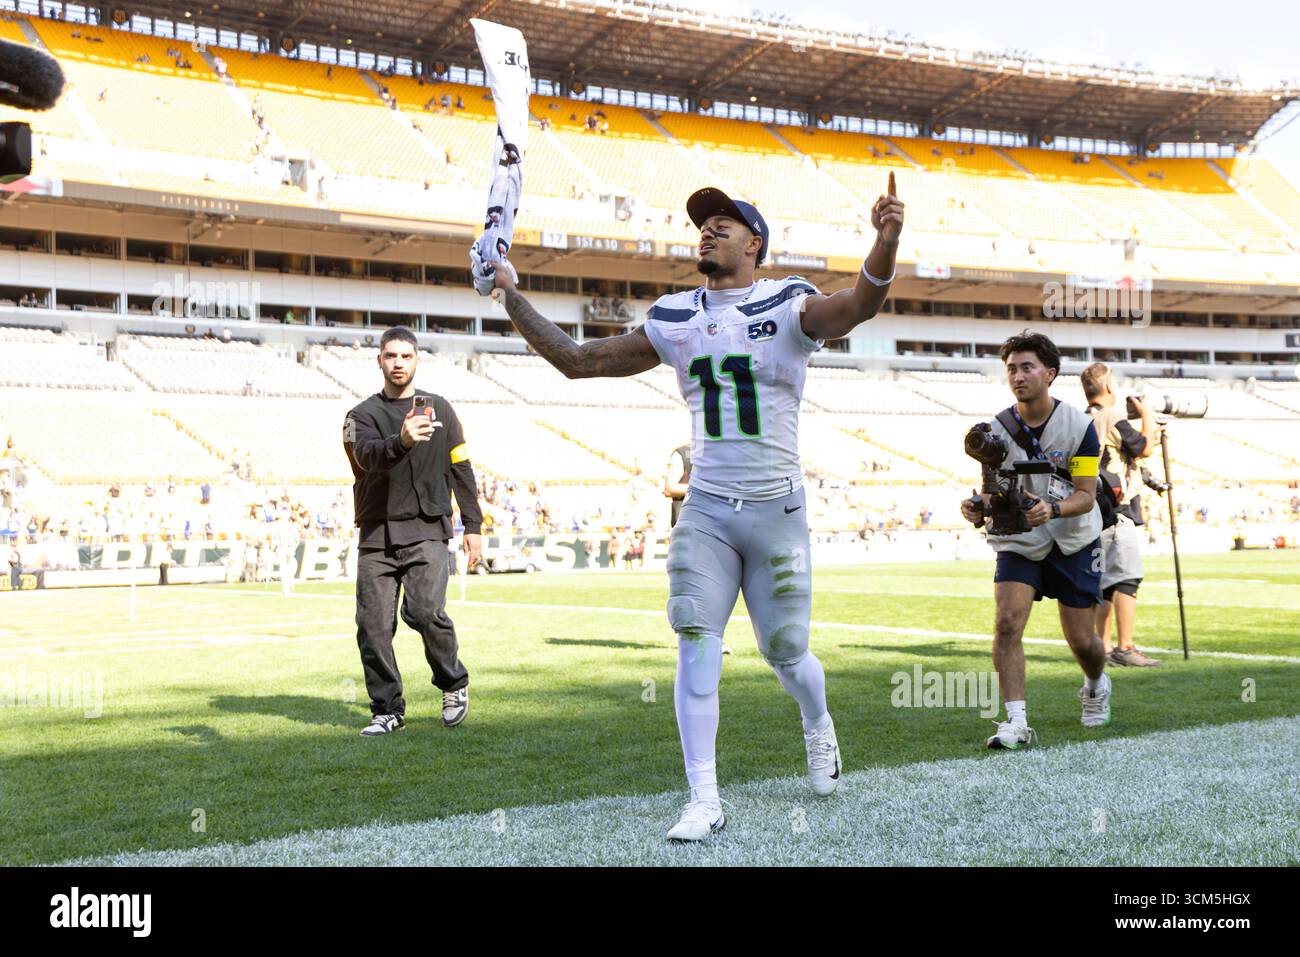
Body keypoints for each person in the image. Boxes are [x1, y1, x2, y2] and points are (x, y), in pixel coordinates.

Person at [490, 174, 904, 842]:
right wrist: (512, 294)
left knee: (787, 650)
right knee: (695, 639)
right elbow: (577, 359)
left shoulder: (787, 301)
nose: (708, 229)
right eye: (703, 223)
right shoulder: (675, 314)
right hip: (707, 507)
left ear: (755, 244)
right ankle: (704, 796)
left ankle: (817, 721)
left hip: (777, 508)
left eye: (726, 223)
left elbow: (858, 305)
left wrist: (884, 241)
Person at [960, 331, 1112, 751]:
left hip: (1073, 537)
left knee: (1082, 641)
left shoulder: (1080, 427)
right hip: (1020, 540)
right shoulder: (994, 429)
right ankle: (1016, 720)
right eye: (1011, 368)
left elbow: (1085, 494)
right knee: (1007, 623)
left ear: (1050, 373)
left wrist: (1053, 510)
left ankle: (1096, 682)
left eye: (1027, 367)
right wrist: (977, 506)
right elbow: (991, 491)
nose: (1018, 376)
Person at [343, 326, 483, 736]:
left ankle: (453, 683)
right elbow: (367, 457)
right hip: (376, 536)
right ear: (380, 361)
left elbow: (462, 468)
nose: (398, 363)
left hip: (428, 530)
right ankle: (387, 709)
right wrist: (401, 441)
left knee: (424, 612)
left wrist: (473, 525)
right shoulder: (359, 416)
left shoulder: (441, 409)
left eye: (406, 356)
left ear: (417, 360)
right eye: (391, 356)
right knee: (372, 626)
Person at [1080, 362, 1160, 667]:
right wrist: (1148, 414)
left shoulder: (1085, 417)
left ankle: (1104, 645)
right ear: (1110, 388)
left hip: (1095, 506)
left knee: (1107, 583)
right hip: (1118, 508)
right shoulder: (1112, 416)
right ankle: (1126, 648)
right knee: (1127, 577)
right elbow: (1144, 447)